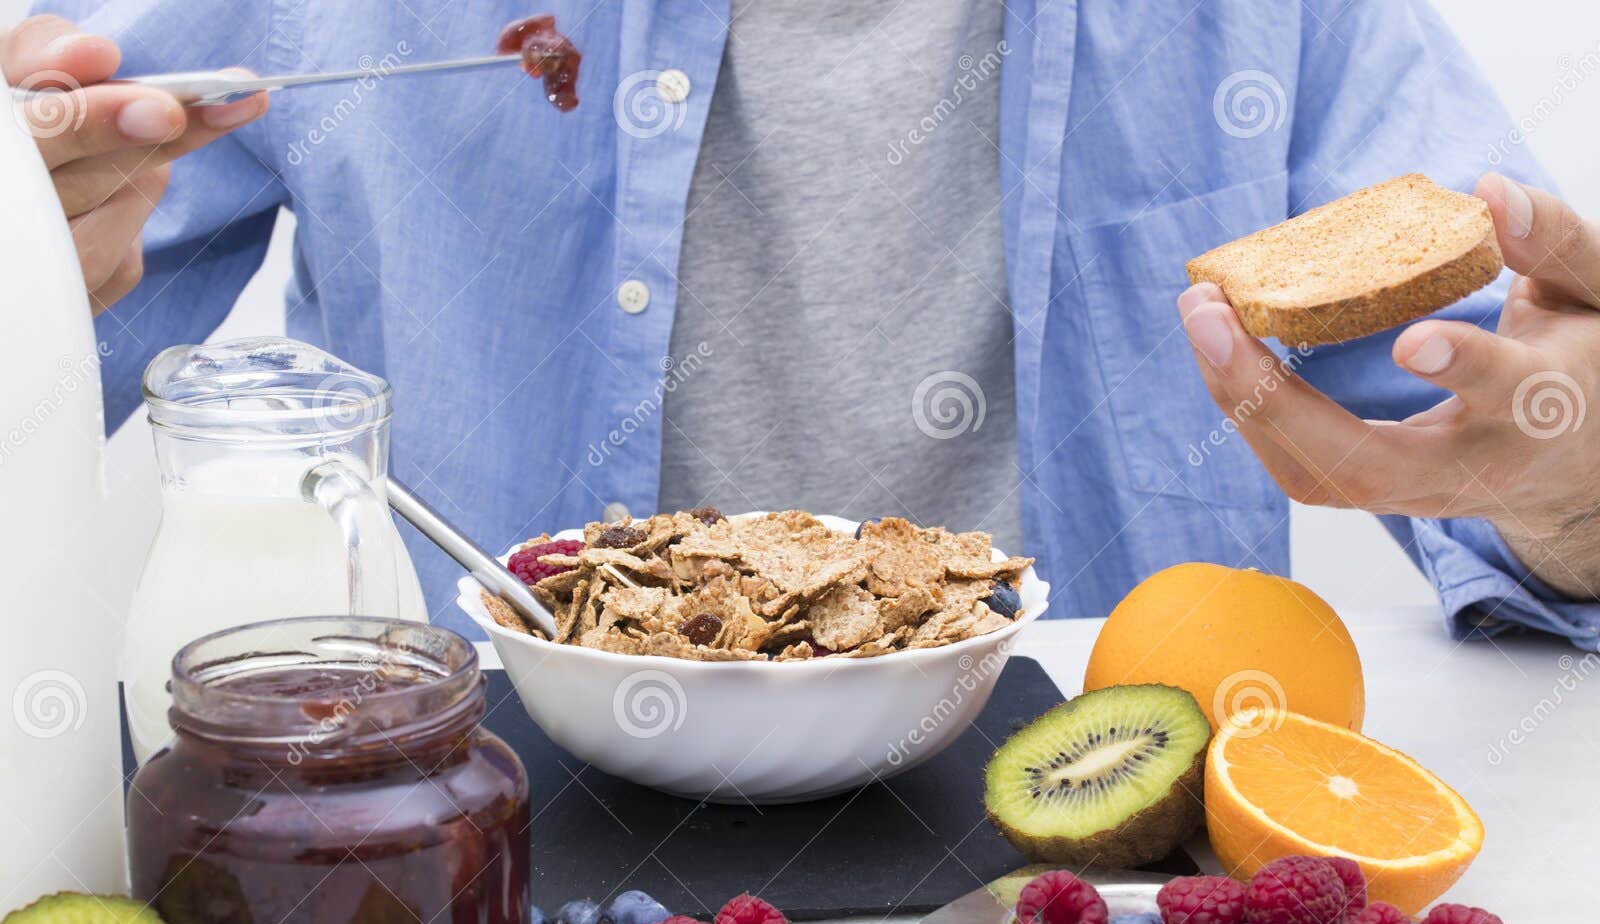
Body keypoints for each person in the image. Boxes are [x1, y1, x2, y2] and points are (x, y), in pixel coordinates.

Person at [8, 2, 1600, 645]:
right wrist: (22, 253)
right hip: (486, 921)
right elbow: (51, 308)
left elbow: (1520, 440)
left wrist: (1565, 476)